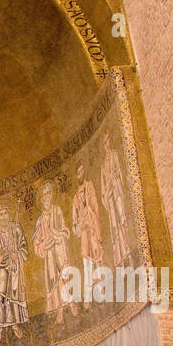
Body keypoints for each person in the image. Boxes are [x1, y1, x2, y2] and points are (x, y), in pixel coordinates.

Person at [32, 181, 78, 325]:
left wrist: (57, 234)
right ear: (40, 199)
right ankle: (61, 310)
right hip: (50, 254)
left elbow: (65, 229)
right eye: (43, 195)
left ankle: (70, 305)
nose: (46, 197)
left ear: (52, 195)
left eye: (48, 193)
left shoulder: (57, 210)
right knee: (55, 283)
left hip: (60, 249)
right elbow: (37, 243)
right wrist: (44, 245)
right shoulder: (39, 221)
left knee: (64, 279)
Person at [0, 201, 29, 342]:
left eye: (5, 213)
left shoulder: (16, 229)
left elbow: (24, 248)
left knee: (12, 297)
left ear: (9, 214)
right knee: (0, 297)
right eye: (0, 215)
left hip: (15, 268)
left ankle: (14, 325)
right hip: (2, 271)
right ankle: (0, 327)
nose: (3, 217)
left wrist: (16, 254)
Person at [71, 162, 104, 308]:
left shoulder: (90, 187)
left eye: (82, 171)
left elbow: (95, 206)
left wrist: (95, 226)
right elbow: (74, 221)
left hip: (92, 227)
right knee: (87, 262)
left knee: (98, 258)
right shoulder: (75, 198)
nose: (80, 175)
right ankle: (88, 297)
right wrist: (78, 225)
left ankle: (102, 291)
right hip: (84, 232)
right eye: (78, 173)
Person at [100, 133, 132, 265]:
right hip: (111, 199)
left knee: (123, 222)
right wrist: (107, 192)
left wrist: (116, 182)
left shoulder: (114, 155)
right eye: (104, 142)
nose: (107, 144)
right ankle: (120, 259)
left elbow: (120, 173)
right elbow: (103, 190)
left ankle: (129, 254)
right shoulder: (102, 167)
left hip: (118, 195)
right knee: (115, 228)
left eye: (108, 140)